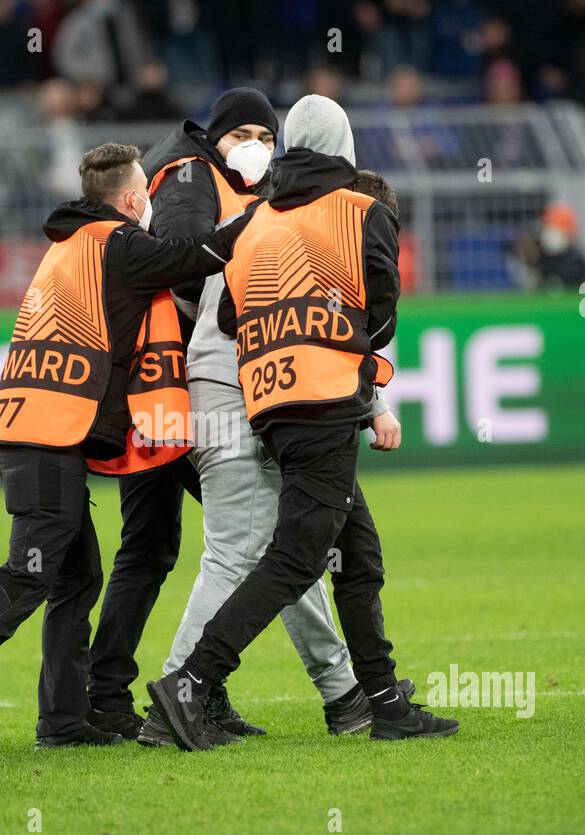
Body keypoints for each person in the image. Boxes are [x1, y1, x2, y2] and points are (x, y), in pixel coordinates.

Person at [0, 143, 255, 754]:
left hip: (29, 426)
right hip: (47, 430)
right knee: (26, 576)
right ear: (131, 200)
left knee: (77, 575)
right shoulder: (115, 245)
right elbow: (193, 255)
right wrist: (266, 210)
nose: (151, 202)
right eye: (147, 192)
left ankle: (63, 720)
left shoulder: (69, 245)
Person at [147, 96, 460, 750]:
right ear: (346, 146)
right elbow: (379, 323)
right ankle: (192, 680)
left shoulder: (256, 218)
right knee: (293, 558)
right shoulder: (363, 211)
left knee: (356, 553)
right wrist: (327, 330)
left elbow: (231, 316)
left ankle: (377, 699)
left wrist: (286, 323)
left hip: (262, 399)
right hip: (324, 401)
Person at [84, 87, 284, 742]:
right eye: (244, 134)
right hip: (177, 389)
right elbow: (181, 258)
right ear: (217, 134)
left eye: (267, 135)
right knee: (256, 538)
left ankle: (112, 700)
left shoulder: (193, 168)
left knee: (150, 546)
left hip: (158, 387)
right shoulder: (193, 176)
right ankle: (188, 693)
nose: (255, 147)